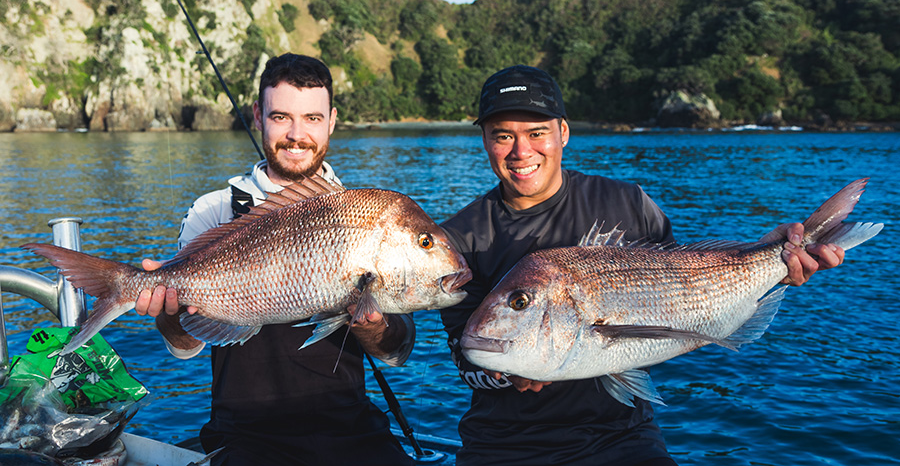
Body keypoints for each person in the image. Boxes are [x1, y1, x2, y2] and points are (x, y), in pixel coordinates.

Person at [439, 65, 845, 466]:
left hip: (623, 436)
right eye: (503, 136)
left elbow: (685, 280)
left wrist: (770, 257)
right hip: (504, 445)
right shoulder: (458, 240)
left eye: (536, 133)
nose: (521, 151)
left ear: (563, 132)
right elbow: (466, 351)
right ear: (485, 140)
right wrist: (505, 375)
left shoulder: (627, 202)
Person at [135, 53, 415, 466]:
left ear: (332, 121)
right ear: (258, 116)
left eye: (312, 118)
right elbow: (185, 346)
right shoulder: (214, 211)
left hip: (352, 428)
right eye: (281, 117)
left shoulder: (361, 213)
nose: (296, 135)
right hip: (246, 436)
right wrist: (168, 311)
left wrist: (373, 328)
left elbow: (397, 353)